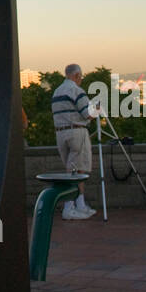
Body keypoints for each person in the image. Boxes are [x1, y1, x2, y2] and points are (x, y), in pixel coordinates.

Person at [52, 64, 97, 219]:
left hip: (61, 133)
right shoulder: (77, 91)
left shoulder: (57, 92)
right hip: (76, 132)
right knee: (77, 171)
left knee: (72, 170)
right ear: (77, 75)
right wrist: (96, 109)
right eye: (80, 76)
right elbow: (87, 114)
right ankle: (70, 207)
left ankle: (80, 205)